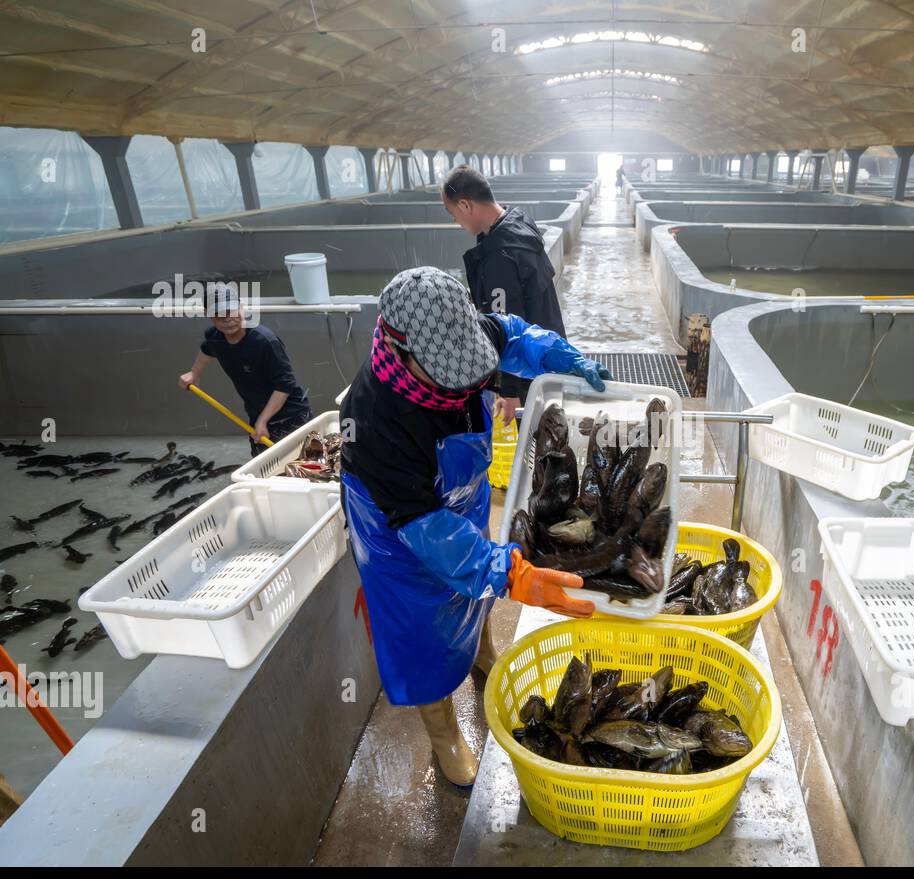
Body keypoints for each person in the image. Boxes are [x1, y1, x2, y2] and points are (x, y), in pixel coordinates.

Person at [340, 266, 611, 787]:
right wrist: (512, 575)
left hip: (462, 496)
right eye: (450, 372)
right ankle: (445, 736)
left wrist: (561, 354)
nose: (467, 383)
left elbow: (518, 336)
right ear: (400, 350)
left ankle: (482, 651)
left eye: (473, 368)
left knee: (474, 596)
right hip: (400, 532)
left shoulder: (466, 334)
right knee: (422, 634)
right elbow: (426, 528)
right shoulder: (374, 419)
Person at [442, 165, 567, 423]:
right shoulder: (517, 221)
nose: (457, 223)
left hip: (528, 368)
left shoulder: (500, 256)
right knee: (551, 425)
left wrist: (509, 391)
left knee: (534, 434)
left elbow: (509, 327)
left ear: (465, 205)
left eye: (454, 214)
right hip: (547, 349)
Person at [178, 283, 312, 454]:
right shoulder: (216, 338)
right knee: (264, 467)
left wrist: (262, 421)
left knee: (304, 465)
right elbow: (207, 350)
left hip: (291, 415)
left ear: (241, 307)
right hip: (257, 414)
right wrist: (194, 373)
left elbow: (285, 385)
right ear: (209, 316)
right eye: (219, 315)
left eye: (231, 311)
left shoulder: (264, 341)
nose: (227, 319)